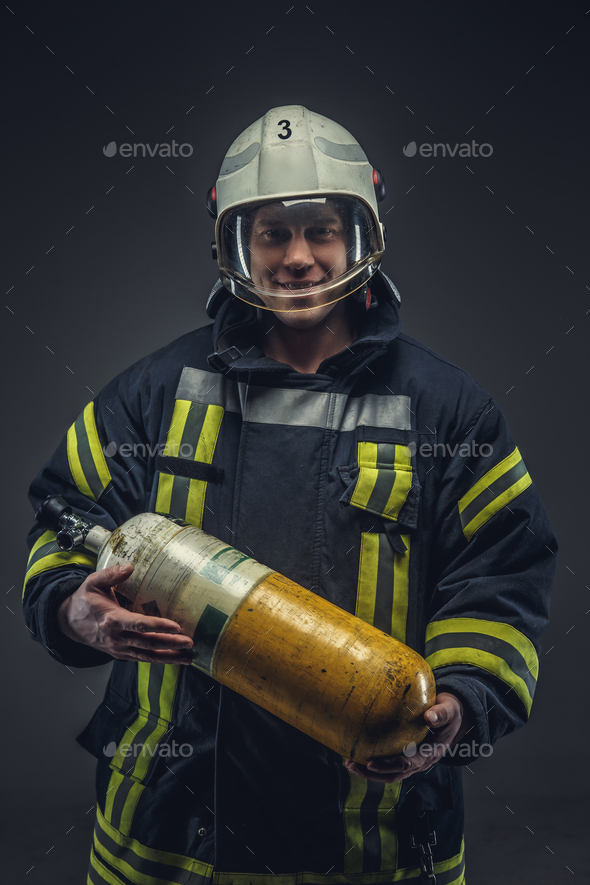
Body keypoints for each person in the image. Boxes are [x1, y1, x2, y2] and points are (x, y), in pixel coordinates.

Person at [23, 105, 557, 884]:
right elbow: (63, 518)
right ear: (232, 245)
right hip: (168, 837)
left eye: (321, 229)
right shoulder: (154, 393)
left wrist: (461, 706)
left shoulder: (449, 413)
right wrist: (76, 609)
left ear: (363, 233)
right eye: (271, 232)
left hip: (371, 837)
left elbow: (503, 580)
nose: (299, 257)